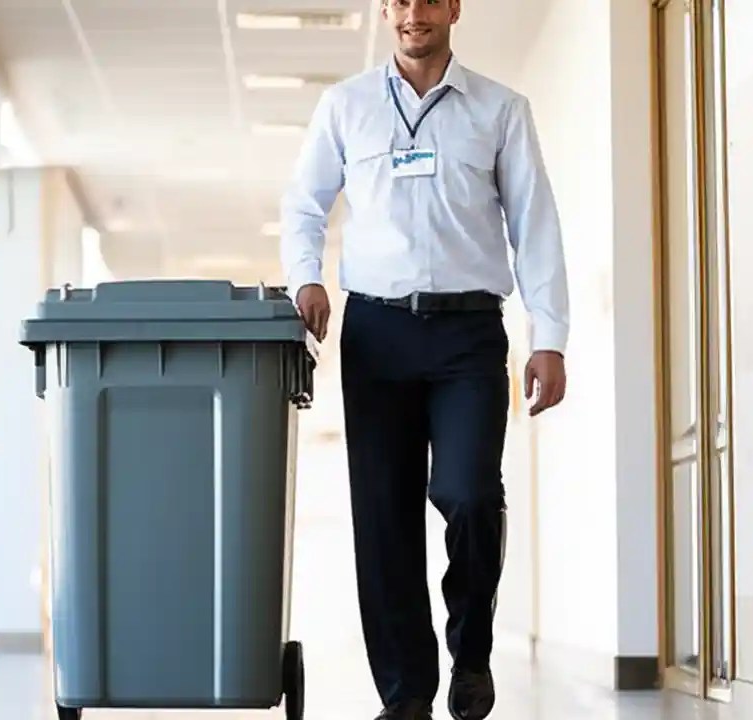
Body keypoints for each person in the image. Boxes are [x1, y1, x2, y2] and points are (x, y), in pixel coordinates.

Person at [278, 1, 569, 718]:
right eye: (400, 0)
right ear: (385, 10)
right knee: (384, 518)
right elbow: (303, 205)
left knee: (469, 493)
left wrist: (550, 336)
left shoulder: (500, 109)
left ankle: (470, 653)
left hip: (469, 335)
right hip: (376, 336)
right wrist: (306, 276)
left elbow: (535, 223)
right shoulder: (344, 106)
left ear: (454, 8)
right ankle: (406, 694)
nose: (415, 13)